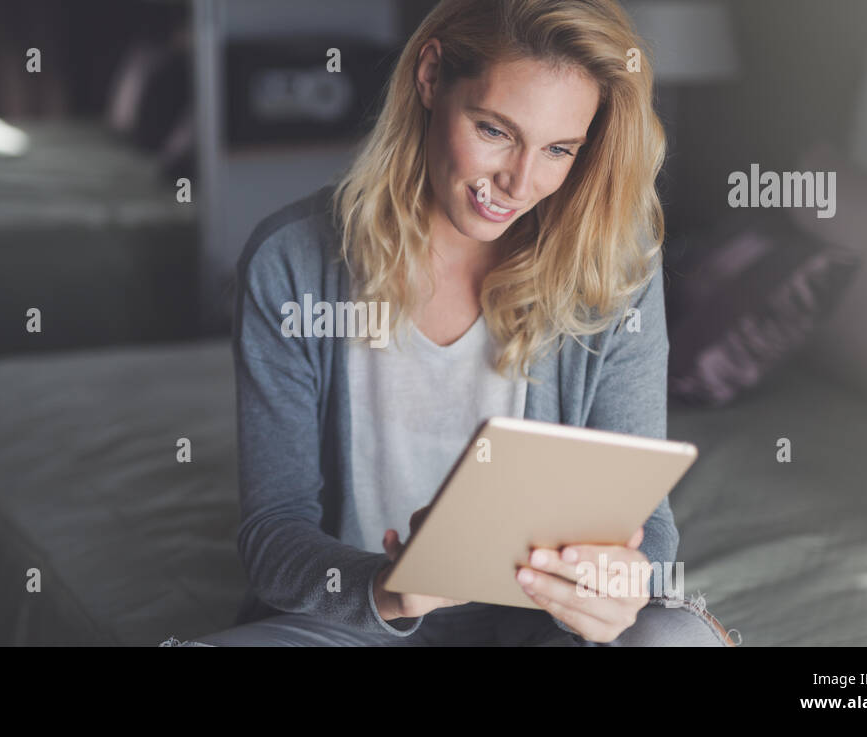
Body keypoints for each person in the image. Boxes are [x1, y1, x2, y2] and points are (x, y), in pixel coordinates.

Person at [184, 0, 734, 646]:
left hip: (539, 633)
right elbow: (275, 532)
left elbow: (647, 526)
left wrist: (621, 587)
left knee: (675, 637)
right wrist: (390, 587)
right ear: (430, 75)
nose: (519, 182)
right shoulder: (289, 264)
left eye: (559, 149)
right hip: (358, 626)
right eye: (494, 130)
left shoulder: (613, 271)